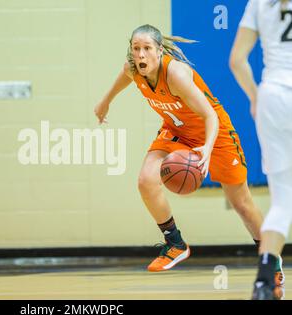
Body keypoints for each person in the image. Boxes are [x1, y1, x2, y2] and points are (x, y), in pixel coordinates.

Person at [94, 24, 283, 277]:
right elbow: (124, 77)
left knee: (242, 203)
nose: (140, 54)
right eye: (136, 48)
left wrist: (206, 148)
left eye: (147, 48)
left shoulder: (176, 74)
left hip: (214, 133)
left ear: (159, 51)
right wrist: (106, 101)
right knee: (146, 180)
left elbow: (210, 116)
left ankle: (271, 261)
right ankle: (175, 244)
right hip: (177, 130)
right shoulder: (133, 69)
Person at [230, 0, 291, 300]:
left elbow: (237, 61)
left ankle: (264, 283)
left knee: (282, 201)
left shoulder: (258, 3)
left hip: (272, 96)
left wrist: (255, 98)